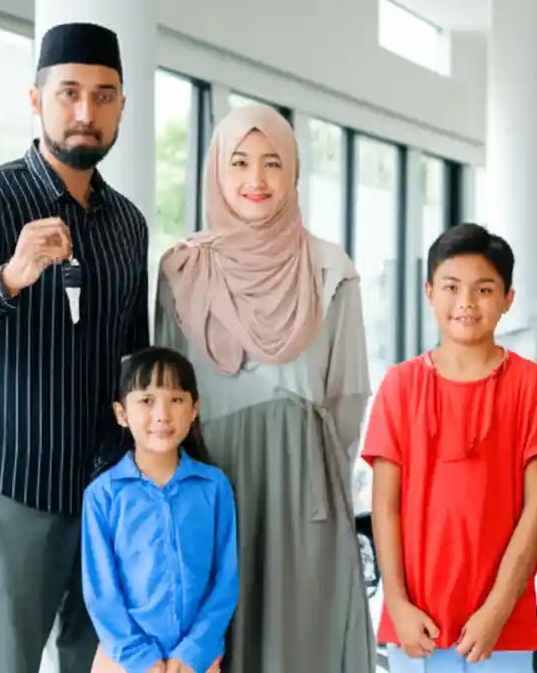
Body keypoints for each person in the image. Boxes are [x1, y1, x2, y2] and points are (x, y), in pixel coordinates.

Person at [0, 21, 148, 673]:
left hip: (104, 499)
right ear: (36, 99)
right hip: (7, 496)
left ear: (122, 106)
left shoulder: (128, 223)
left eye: (104, 96)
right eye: (69, 92)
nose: (85, 112)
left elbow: (135, 361)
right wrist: (10, 278)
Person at [154, 103, 374, 672]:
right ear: (216, 171)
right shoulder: (180, 270)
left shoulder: (330, 269)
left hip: (302, 498)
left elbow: (348, 398)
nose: (256, 180)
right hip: (206, 488)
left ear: (294, 173)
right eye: (241, 162)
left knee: (297, 647)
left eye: (274, 163)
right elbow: (160, 395)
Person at [361, 223, 537, 672]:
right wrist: (395, 601)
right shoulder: (400, 385)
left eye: (484, 289)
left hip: (500, 627)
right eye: (452, 287)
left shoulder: (531, 386)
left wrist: (496, 610)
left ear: (508, 299)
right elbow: (385, 505)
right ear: (429, 292)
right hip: (416, 625)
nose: (466, 303)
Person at [82, 347, 236, 673]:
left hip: (197, 662)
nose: (163, 415)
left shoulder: (213, 486)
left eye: (176, 400)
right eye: (147, 400)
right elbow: (101, 593)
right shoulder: (103, 495)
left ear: (194, 409)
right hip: (122, 661)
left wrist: (195, 652)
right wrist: (140, 658)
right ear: (121, 413)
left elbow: (225, 579)